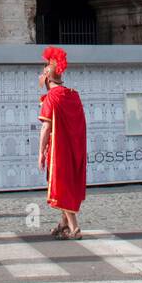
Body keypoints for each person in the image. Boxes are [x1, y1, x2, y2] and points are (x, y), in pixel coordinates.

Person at [38, 46, 87, 239]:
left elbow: (46, 128)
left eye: (42, 74)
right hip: (76, 149)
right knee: (66, 184)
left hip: (58, 151)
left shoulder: (52, 98)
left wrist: (40, 152)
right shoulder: (73, 95)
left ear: (47, 77)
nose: (40, 78)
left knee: (60, 186)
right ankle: (63, 224)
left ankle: (74, 228)